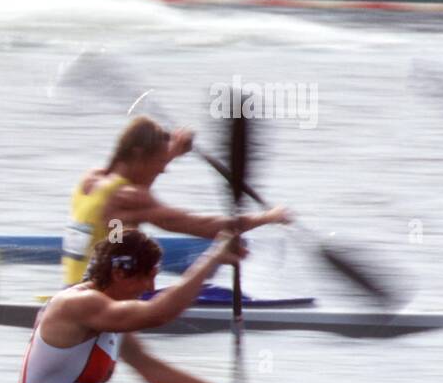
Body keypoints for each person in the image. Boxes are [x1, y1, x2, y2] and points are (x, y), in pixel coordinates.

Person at [25, 228, 245, 383]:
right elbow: (159, 314)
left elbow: (149, 368)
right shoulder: (80, 303)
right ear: (119, 273)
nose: (151, 288)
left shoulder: (109, 316)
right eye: (148, 276)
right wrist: (213, 258)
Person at [61, 115, 290, 285]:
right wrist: (269, 217)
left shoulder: (91, 179)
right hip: (99, 301)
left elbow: (131, 187)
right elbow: (205, 227)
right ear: (140, 154)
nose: (164, 169)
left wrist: (171, 151)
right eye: (161, 161)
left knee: (125, 240)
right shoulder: (130, 197)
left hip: (71, 290)